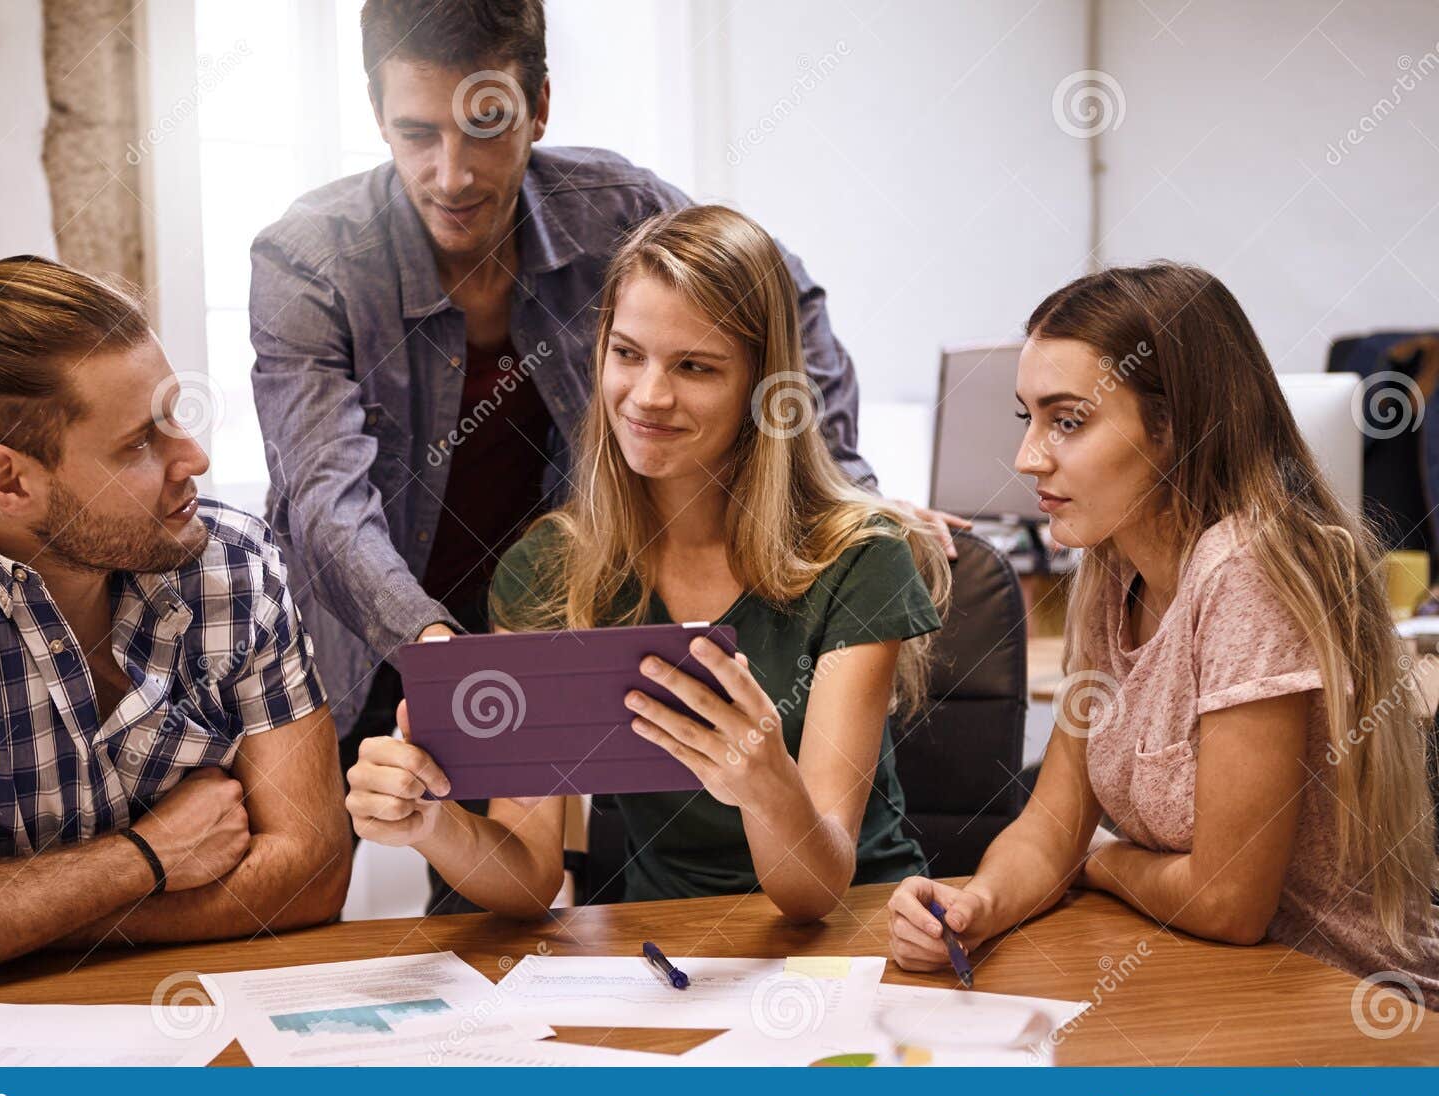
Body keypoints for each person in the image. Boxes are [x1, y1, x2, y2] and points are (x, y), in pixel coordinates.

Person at [248, 0, 967, 913]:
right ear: (376, 113)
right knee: (332, 903)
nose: (452, 173)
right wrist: (442, 666)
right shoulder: (311, 258)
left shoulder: (617, 209)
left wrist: (837, 492)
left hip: (594, 574)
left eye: (486, 126)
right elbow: (321, 499)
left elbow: (775, 300)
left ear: (539, 105)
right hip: (405, 611)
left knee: (485, 911)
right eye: (417, 133)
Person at [343, 205, 947, 921]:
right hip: (664, 944)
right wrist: (433, 825)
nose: (650, 395)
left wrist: (763, 781)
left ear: (764, 386)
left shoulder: (859, 557)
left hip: (855, 930)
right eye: (628, 354)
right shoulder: (552, 566)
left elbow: (815, 888)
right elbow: (531, 872)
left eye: (695, 366)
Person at [887, 263, 1439, 1008]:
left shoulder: (1245, 570)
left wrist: (1102, 861)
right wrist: (976, 906)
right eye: (1029, 418)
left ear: (1174, 424)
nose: (1028, 456)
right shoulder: (1111, 564)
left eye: (1069, 420)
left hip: (1346, 1003)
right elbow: (1052, 826)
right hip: (1221, 988)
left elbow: (1226, 902)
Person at [0, 257, 350, 1004]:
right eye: (140, 442)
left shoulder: (233, 562)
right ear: (8, 481)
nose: (194, 457)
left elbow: (312, 873)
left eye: (176, 412)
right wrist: (146, 856)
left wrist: (8, 920)